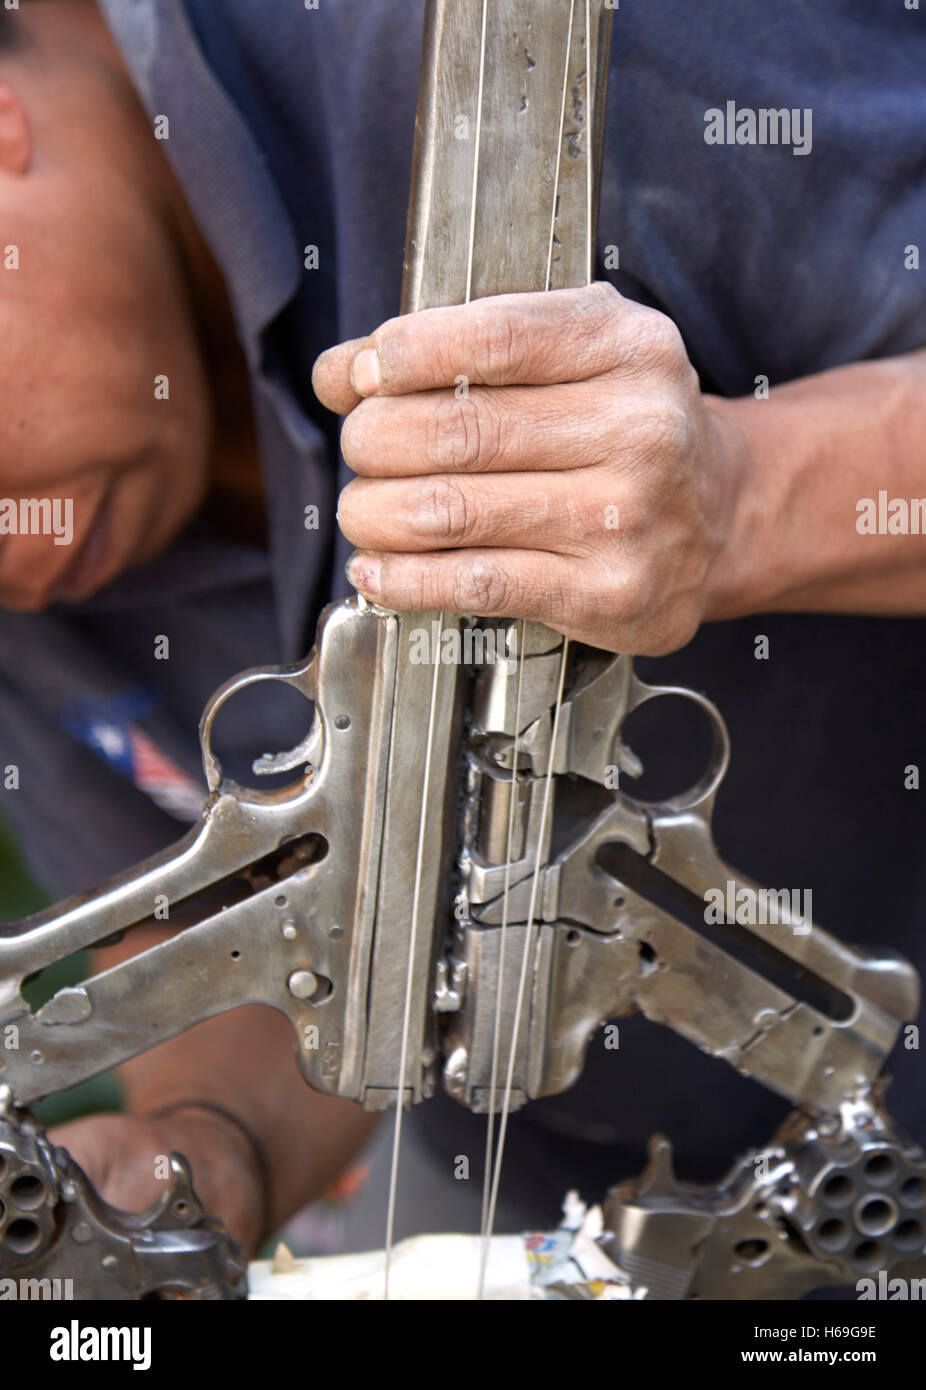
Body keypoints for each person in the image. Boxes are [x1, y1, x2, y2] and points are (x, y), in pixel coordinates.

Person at [1, 0, 924, 1260]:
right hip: (576, 1205)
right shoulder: (49, 565)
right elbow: (270, 954)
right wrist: (198, 1159)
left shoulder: (538, 55)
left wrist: (748, 493)